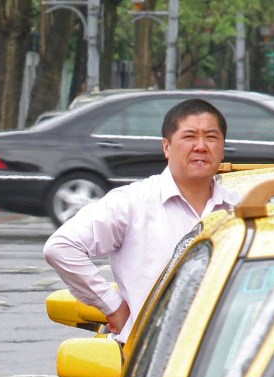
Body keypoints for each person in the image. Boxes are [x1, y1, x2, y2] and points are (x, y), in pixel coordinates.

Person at [43, 97, 239, 342]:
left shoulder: (241, 210)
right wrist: (112, 306)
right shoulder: (132, 203)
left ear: (222, 147)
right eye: (189, 137)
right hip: (147, 353)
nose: (201, 146)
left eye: (211, 137)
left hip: (224, 351)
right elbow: (61, 247)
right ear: (166, 146)